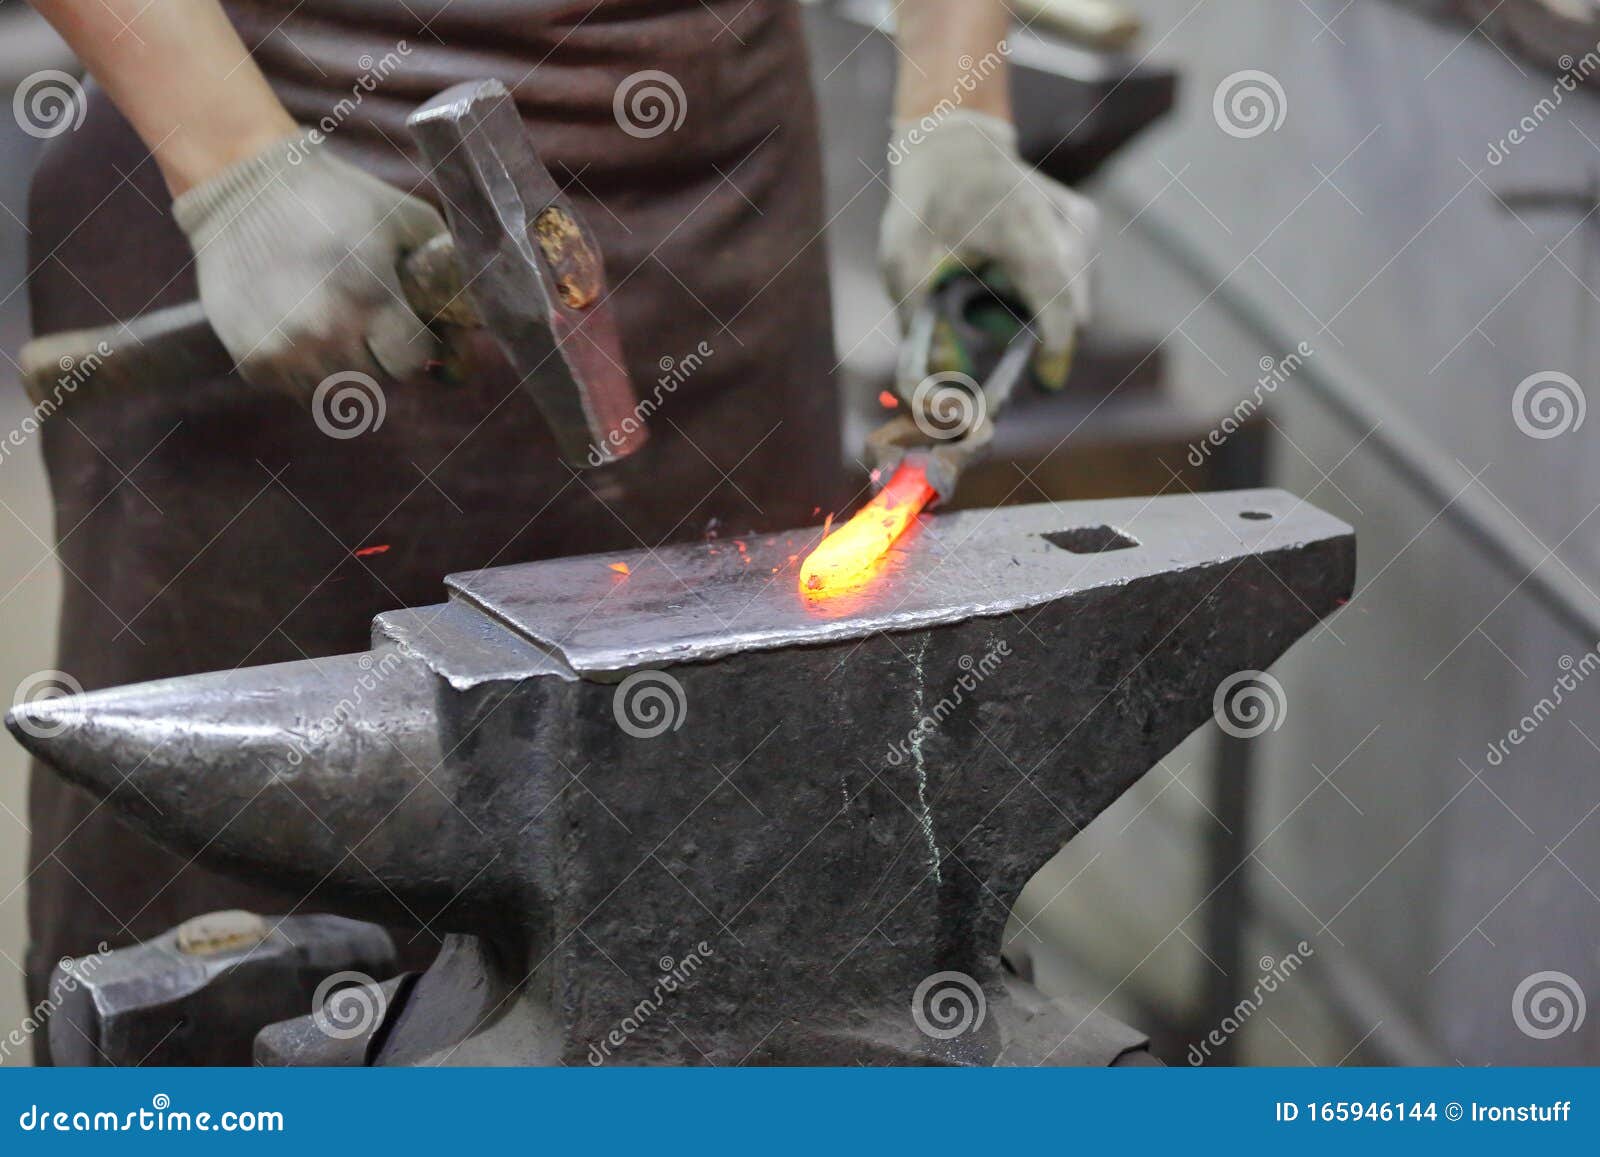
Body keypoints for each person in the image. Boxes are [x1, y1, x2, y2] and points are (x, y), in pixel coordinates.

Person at [19, 0, 1097, 1063]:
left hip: (714, 199)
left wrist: (959, 112)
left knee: (731, 877)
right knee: (228, 944)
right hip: (260, 142)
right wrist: (234, 169)